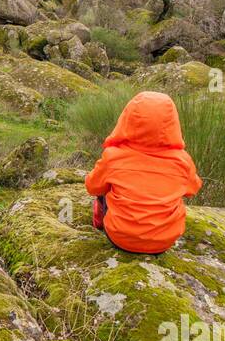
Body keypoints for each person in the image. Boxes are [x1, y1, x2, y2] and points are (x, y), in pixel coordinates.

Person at [85, 90, 202, 255]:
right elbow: (193, 189)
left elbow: (92, 187)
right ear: (172, 123)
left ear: (128, 118)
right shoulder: (182, 161)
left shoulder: (113, 156)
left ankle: (99, 221)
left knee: (104, 188)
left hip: (120, 238)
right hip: (164, 243)